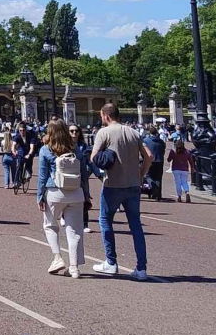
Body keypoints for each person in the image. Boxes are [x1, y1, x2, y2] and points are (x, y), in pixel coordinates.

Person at [91, 104, 153, 279]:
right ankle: (141, 268)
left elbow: (93, 157)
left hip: (113, 184)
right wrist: (141, 174)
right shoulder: (133, 132)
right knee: (136, 225)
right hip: (133, 185)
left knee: (105, 221)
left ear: (105, 116)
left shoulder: (103, 133)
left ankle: (111, 262)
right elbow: (149, 156)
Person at [36, 118, 90, 278]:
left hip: (54, 191)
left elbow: (42, 176)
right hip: (76, 192)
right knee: (75, 231)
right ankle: (74, 268)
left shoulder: (46, 150)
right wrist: (86, 194)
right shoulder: (76, 149)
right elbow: (84, 175)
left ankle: (57, 257)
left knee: (50, 226)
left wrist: (39, 195)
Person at [168, 137, 194, 202]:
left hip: (176, 169)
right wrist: (192, 168)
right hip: (185, 169)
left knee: (178, 183)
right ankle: (187, 192)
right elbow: (191, 161)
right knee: (184, 182)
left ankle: (179, 196)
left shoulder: (173, 151)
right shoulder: (187, 152)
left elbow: (168, 159)